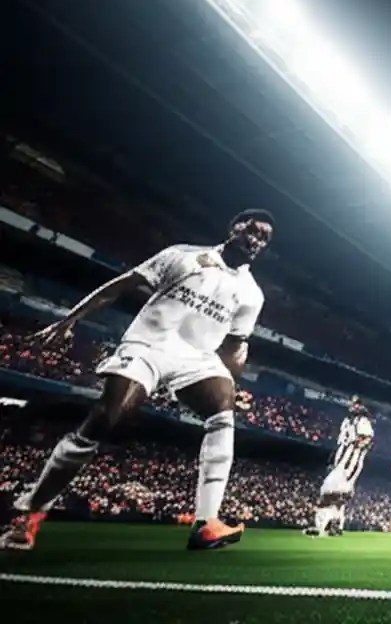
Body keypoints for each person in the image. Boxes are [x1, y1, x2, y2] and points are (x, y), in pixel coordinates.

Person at [0, 209, 274, 551]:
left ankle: (207, 523)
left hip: (196, 358)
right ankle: (31, 511)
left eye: (264, 238)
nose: (256, 240)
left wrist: (232, 382)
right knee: (107, 417)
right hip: (147, 345)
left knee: (223, 413)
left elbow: (234, 345)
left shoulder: (252, 294)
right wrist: (69, 320)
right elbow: (120, 285)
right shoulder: (183, 256)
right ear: (234, 227)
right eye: (252, 230)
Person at [306, 397, 374, 537]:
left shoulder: (362, 421)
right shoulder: (347, 421)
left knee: (330, 490)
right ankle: (334, 525)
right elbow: (342, 442)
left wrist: (355, 447)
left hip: (349, 461)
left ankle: (326, 526)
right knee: (337, 496)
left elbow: (367, 439)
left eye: (355, 404)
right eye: (352, 403)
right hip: (342, 459)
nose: (352, 405)